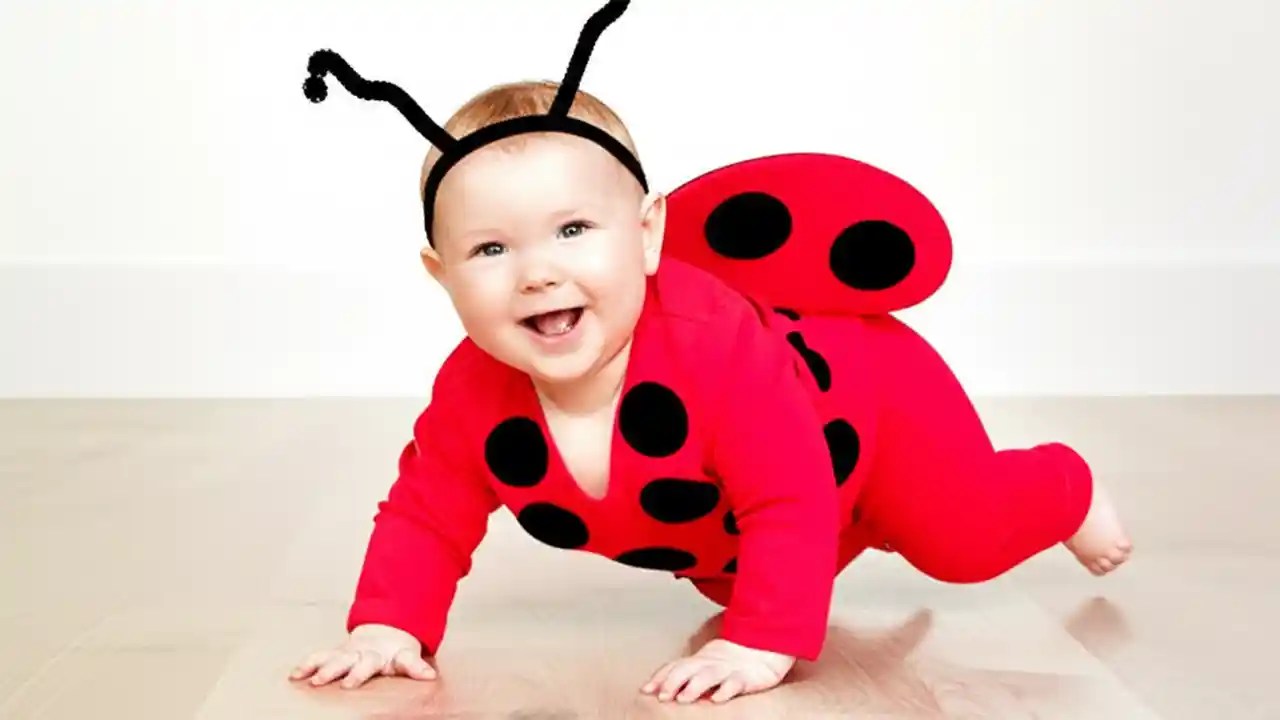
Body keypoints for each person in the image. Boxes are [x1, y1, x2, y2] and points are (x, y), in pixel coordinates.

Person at [288, 1, 1132, 705]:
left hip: (873, 404)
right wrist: (388, 624)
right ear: (440, 275)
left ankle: (1063, 485)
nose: (539, 273)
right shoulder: (473, 394)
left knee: (962, 538)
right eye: (490, 250)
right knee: (748, 569)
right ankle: (832, 549)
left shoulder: (713, 350)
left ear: (648, 233)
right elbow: (425, 514)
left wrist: (759, 646)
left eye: (574, 230)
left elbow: (791, 492)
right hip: (728, 526)